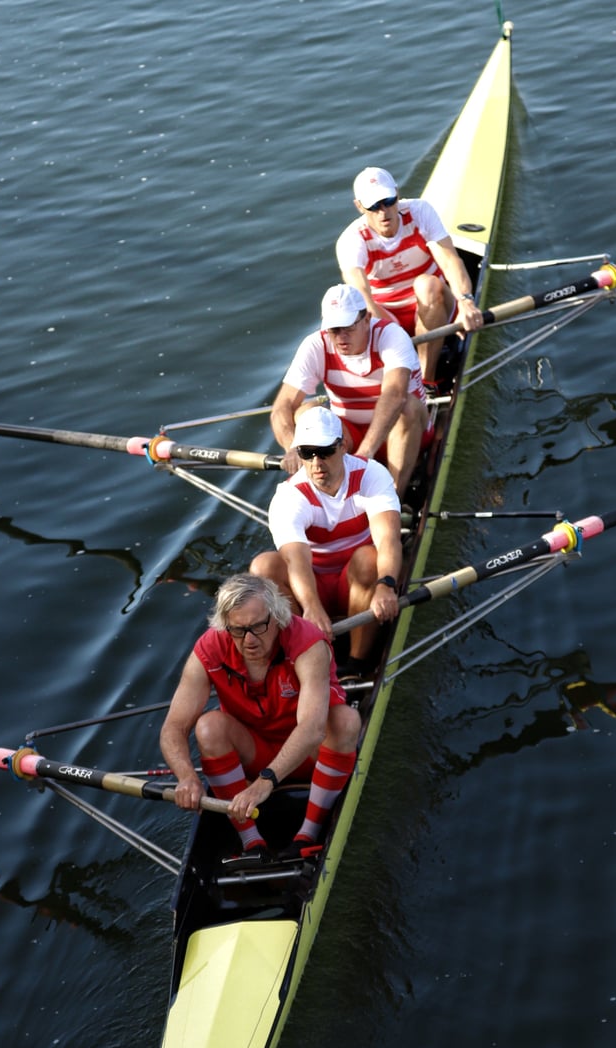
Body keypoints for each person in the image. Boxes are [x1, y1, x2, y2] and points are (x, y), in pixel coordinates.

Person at [160, 572, 361, 863]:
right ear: (225, 625)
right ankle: (251, 842)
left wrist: (265, 783)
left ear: (277, 617)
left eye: (258, 626)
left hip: (310, 753)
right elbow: (173, 728)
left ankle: (309, 833)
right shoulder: (209, 648)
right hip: (256, 754)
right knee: (208, 727)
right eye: (238, 630)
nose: (250, 640)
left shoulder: (307, 643)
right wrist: (187, 777)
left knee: (345, 721)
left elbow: (312, 729)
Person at [251, 405, 403, 679]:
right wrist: (311, 605)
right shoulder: (290, 496)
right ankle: (307, 652)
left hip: (359, 580)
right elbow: (296, 562)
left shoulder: (371, 475)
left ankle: (357, 664)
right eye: (306, 453)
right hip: (312, 586)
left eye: (324, 451)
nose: (316, 463)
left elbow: (388, 539)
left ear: (343, 447)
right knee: (263, 567)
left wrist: (387, 584)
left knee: (369, 558)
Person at [270, 283, 429, 499]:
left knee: (407, 406)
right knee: (307, 413)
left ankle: (393, 499)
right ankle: (331, 496)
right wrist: (294, 448)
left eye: (348, 327)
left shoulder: (391, 336)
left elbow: (395, 395)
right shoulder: (315, 345)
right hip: (348, 438)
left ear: (367, 319)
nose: (341, 337)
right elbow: (282, 407)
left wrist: (366, 453)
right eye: (334, 329)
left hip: (404, 433)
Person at [335, 165, 485, 388]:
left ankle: (425, 381)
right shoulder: (352, 240)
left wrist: (466, 302)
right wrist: (387, 337)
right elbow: (362, 296)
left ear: (397, 193)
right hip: (388, 317)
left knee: (427, 285)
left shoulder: (420, 211)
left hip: (435, 304)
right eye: (374, 206)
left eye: (388, 201)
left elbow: (450, 261)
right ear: (359, 206)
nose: (383, 211)